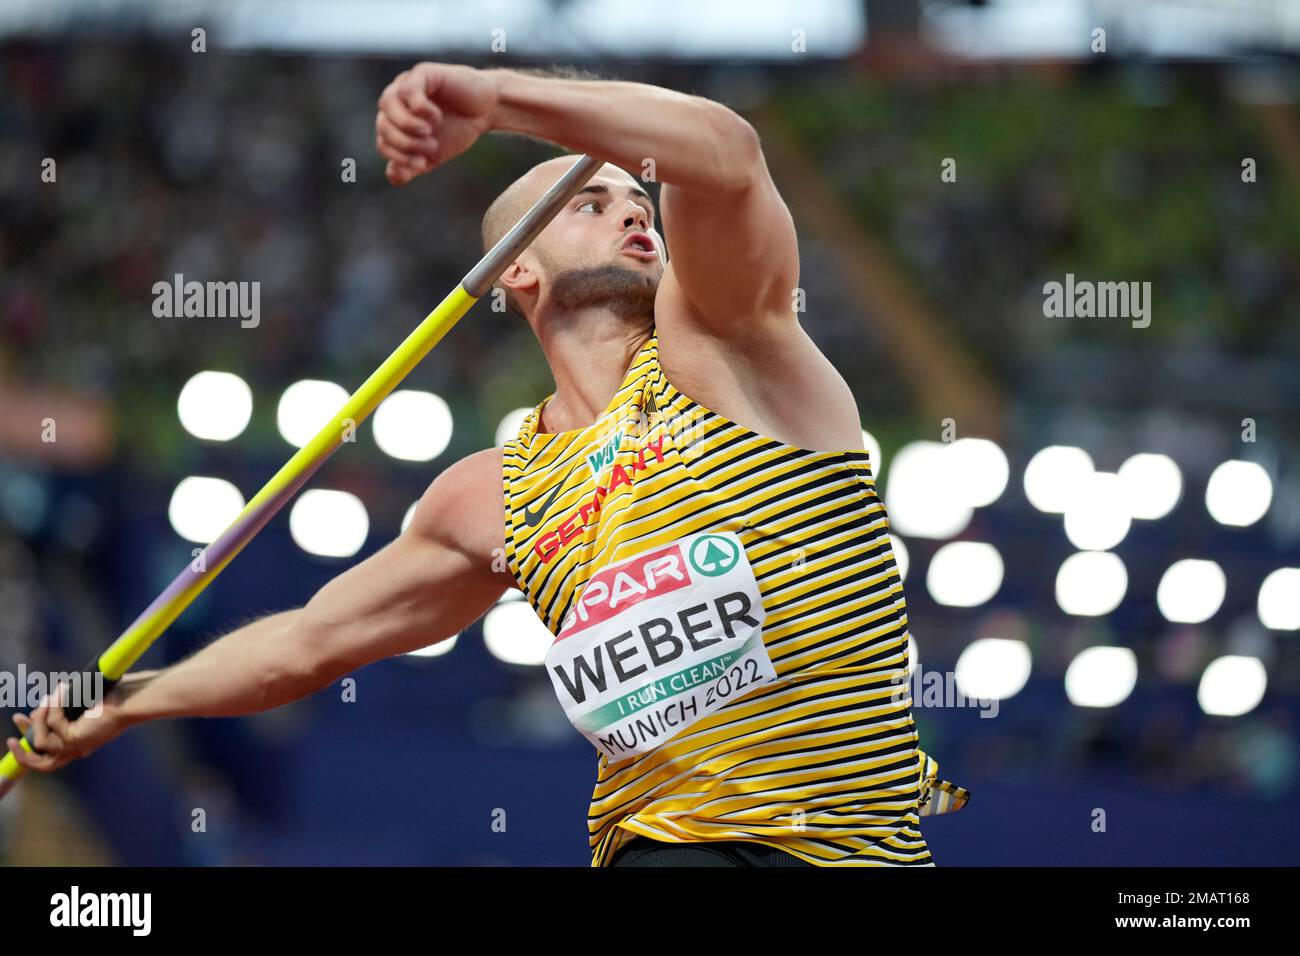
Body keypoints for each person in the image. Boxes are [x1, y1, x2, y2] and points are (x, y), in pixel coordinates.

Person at [9, 62, 968, 866]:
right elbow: (307, 643)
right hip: (665, 847)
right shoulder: (487, 497)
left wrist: (497, 98)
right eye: (592, 204)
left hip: (851, 846)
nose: (637, 218)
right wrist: (130, 704)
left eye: (642, 204)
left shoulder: (726, 349)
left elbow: (727, 156)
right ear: (517, 271)